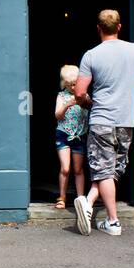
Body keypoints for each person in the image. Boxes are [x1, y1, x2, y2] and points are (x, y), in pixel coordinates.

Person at [72, 8, 134, 236]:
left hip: (101, 120)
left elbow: (79, 93)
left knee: (104, 171)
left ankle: (113, 221)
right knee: (111, 169)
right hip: (126, 120)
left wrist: (89, 103)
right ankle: (89, 202)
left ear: (98, 29)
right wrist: (128, 76)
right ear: (119, 27)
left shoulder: (91, 55)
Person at [53, 64, 88, 209]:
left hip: (80, 136)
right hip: (63, 134)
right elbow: (57, 116)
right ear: (64, 84)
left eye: (75, 84)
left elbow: (91, 108)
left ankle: (81, 199)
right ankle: (62, 197)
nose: (73, 87)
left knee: (78, 169)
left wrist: (84, 101)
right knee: (65, 168)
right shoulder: (61, 96)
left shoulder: (84, 95)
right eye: (70, 85)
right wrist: (67, 104)